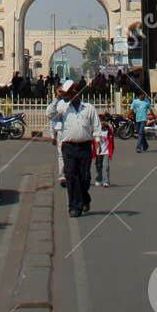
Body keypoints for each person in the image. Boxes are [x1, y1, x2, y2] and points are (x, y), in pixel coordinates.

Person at [55, 80, 100, 216]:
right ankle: (74, 206)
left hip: (85, 146)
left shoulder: (89, 108)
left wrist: (97, 140)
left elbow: (96, 126)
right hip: (68, 146)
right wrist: (57, 98)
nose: (71, 95)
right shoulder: (63, 107)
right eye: (69, 93)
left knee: (84, 177)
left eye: (73, 92)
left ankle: (85, 197)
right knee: (71, 176)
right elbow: (50, 114)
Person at [46, 82, 66, 186]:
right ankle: (62, 176)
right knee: (62, 155)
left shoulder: (72, 102)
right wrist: (52, 135)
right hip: (61, 132)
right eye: (60, 91)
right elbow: (50, 116)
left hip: (72, 133)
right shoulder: (56, 104)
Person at [94, 113, 115, 186]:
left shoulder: (108, 129)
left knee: (106, 166)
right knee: (98, 165)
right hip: (98, 151)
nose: (102, 123)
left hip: (106, 150)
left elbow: (111, 139)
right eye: (100, 121)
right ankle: (98, 179)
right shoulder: (95, 129)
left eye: (103, 121)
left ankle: (106, 181)